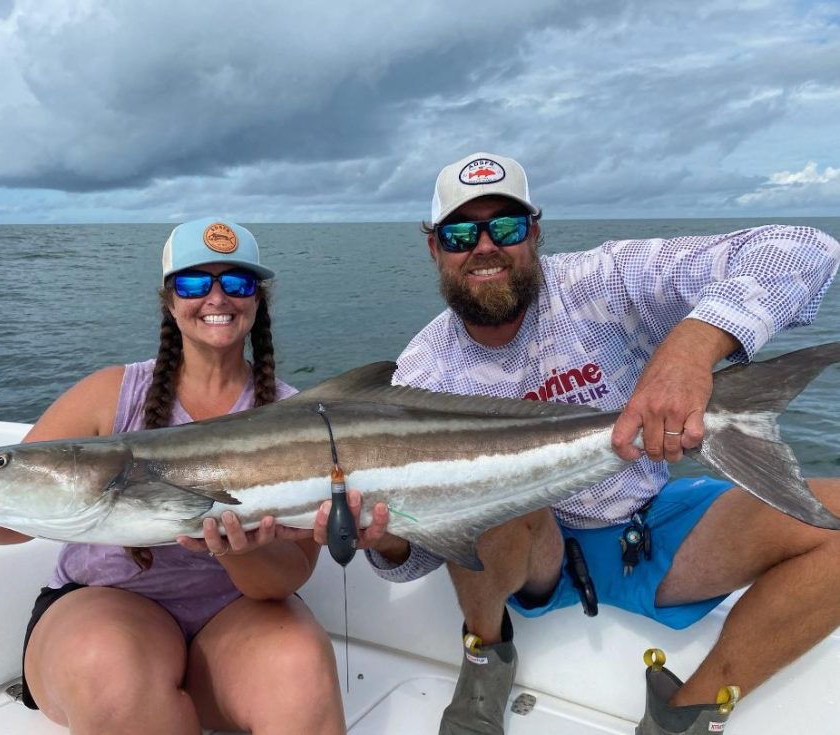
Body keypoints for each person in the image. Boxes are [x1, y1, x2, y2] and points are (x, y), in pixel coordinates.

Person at [313, 153, 840, 735]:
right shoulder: (421, 374)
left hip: (650, 518)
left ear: (534, 233)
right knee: (492, 499)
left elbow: (802, 247)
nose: (484, 246)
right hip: (536, 552)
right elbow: (416, 559)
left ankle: (685, 711)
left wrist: (691, 346)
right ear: (435, 249)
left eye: (506, 227)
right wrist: (386, 543)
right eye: (461, 233)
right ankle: (486, 657)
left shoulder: (600, 283)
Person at [0, 217, 345, 735]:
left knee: (302, 675)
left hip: (236, 616)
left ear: (257, 298)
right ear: (169, 298)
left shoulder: (300, 416)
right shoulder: (111, 393)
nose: (216, 297)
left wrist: (244, 549)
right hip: (103, 604)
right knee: (111, 674)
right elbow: (9, 523)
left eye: (237, 282)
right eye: (194, 282)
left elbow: (283, 581)